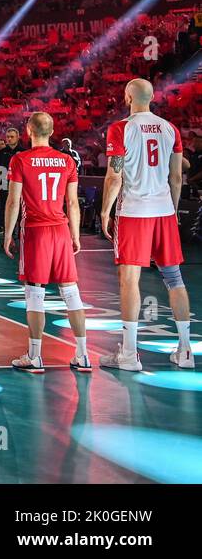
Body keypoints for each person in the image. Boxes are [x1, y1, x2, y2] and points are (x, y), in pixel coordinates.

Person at [99, 78, 191, 371]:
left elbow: (115, 176)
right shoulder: (170, 129)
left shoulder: (121, 128)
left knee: (129, 279)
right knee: (174, 279)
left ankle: (128, 354)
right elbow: (176, 178)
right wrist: (173, 210)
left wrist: (104, 211)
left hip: (134, 212)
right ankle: (186, 350)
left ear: (127, 97)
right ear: (151, 98)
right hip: (163, 210)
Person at [3, 112, 91, 373]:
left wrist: (7, 234)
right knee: (71, 292)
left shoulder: (20, 159)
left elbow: (12, 201)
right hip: (60, 229)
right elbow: (72, 203)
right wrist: (75, 235)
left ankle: (35, 356)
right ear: (52, 132)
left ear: (28, 131)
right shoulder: (66, 161)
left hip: (35, 231)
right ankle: (84, 355)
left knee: (35, 293)